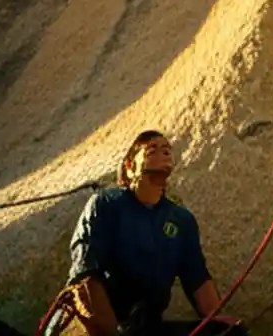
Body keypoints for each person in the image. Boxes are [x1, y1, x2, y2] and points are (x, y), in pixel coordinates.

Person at [41, 130, 247, 336]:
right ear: (130, 167)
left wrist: (218, 321)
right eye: (151, 150)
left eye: (167, 150)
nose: (163, 153)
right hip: (96, 324)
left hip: (145, 326)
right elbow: (85, 275)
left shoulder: (182, 220)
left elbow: (197, 278)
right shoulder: (106, 204)